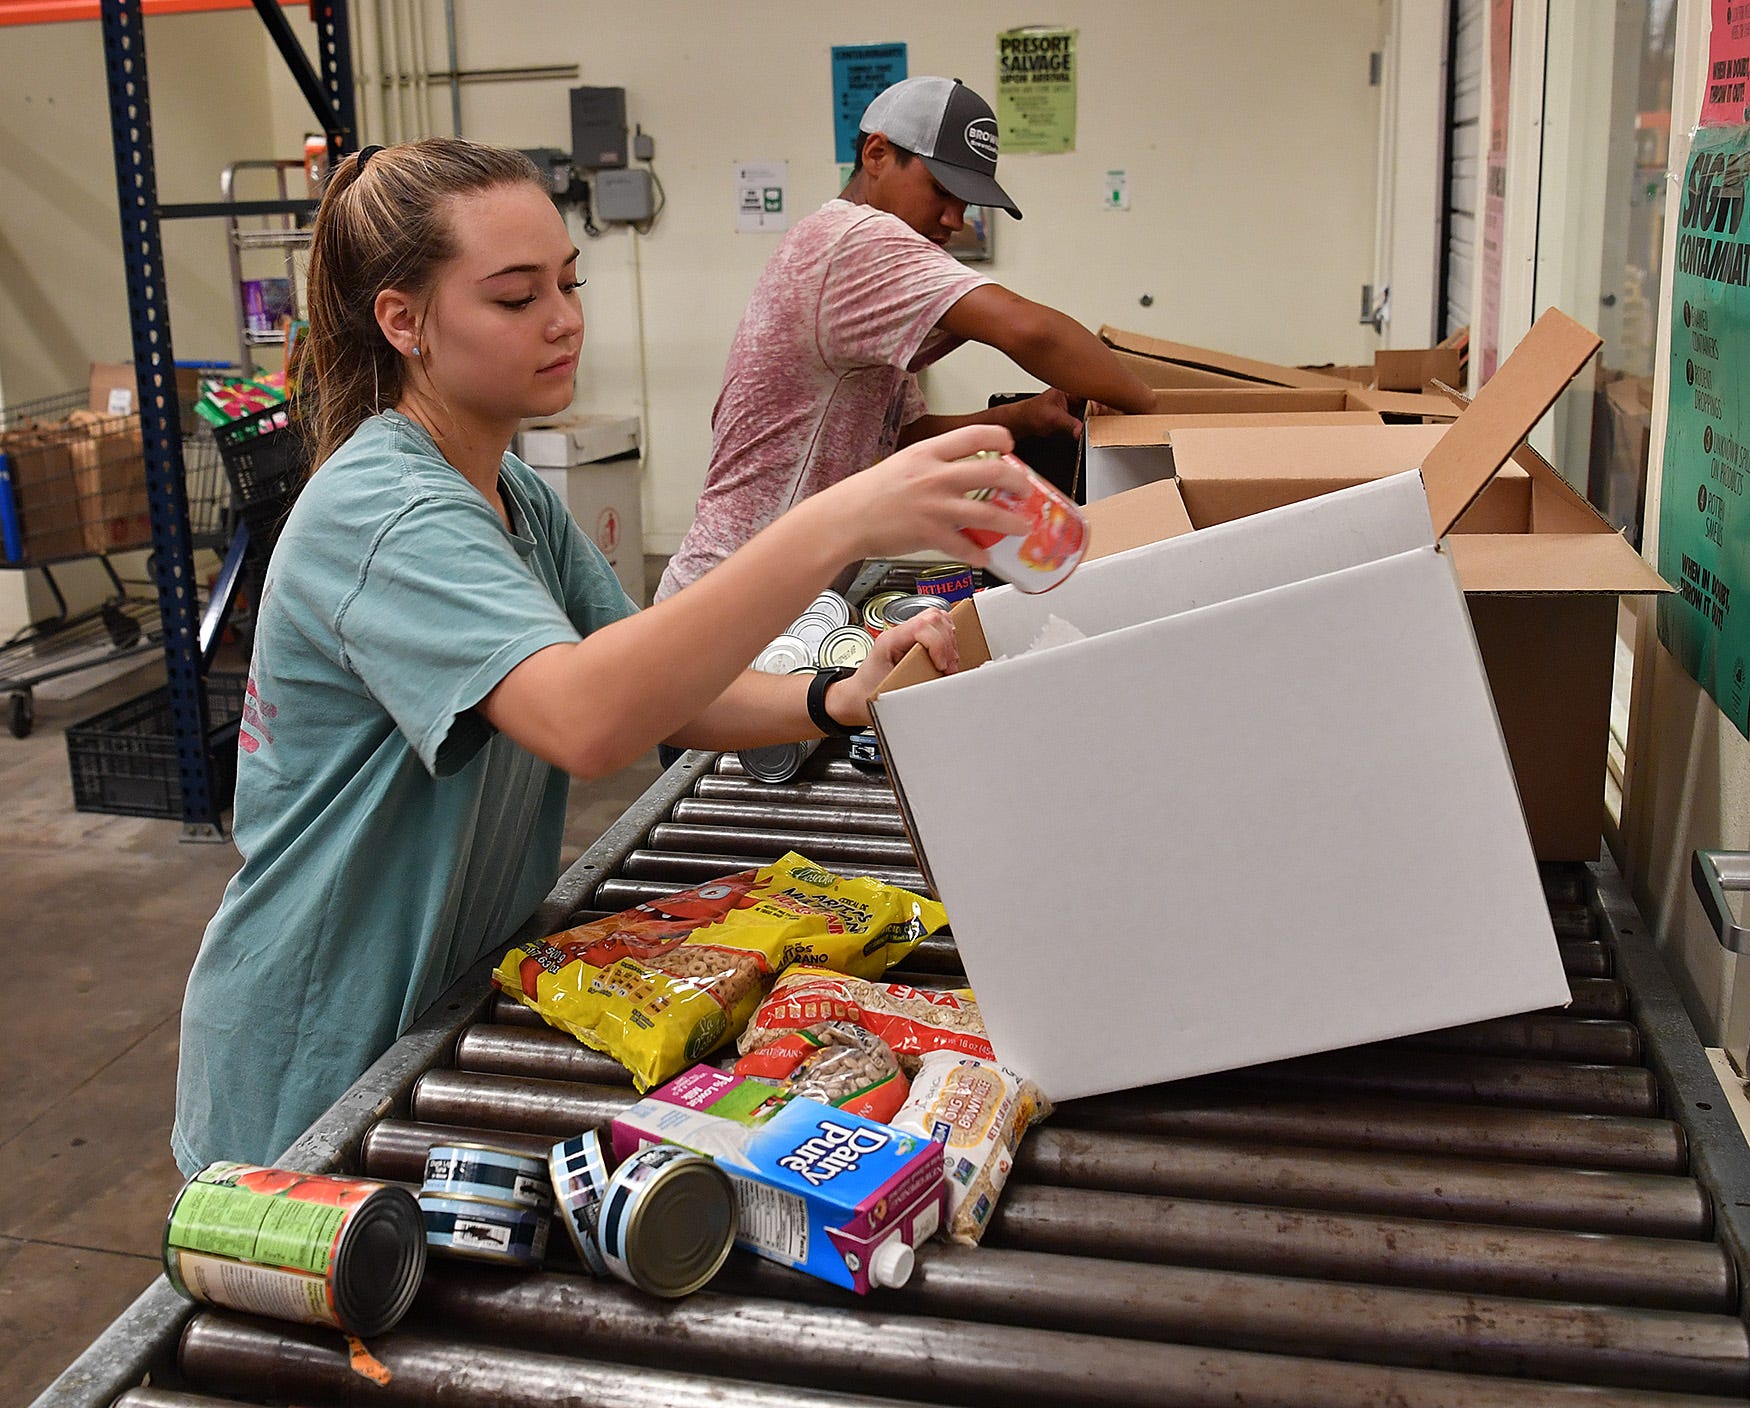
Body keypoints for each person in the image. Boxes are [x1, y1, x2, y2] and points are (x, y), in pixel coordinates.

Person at [171, 138, 1032, 1174]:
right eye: (515, 296)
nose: (563, 319)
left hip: (436, 1010)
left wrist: (836, 695)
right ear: (404, 322)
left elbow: (653, 684)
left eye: (568, 284)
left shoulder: (509, 492)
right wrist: (835, 521)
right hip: (317, 1054)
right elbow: (586, 720)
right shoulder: (385, 512)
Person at [655, 75, 1158, 601]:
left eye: (966, 202)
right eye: (941, 191)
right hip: (732, 595)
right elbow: (1031, 332)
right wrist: (1151, 406)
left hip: (782, 595)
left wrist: (1022, 417)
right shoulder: (855, 240)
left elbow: (898, 436)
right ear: (876, 154)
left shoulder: (864, 279)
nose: (955, 220)